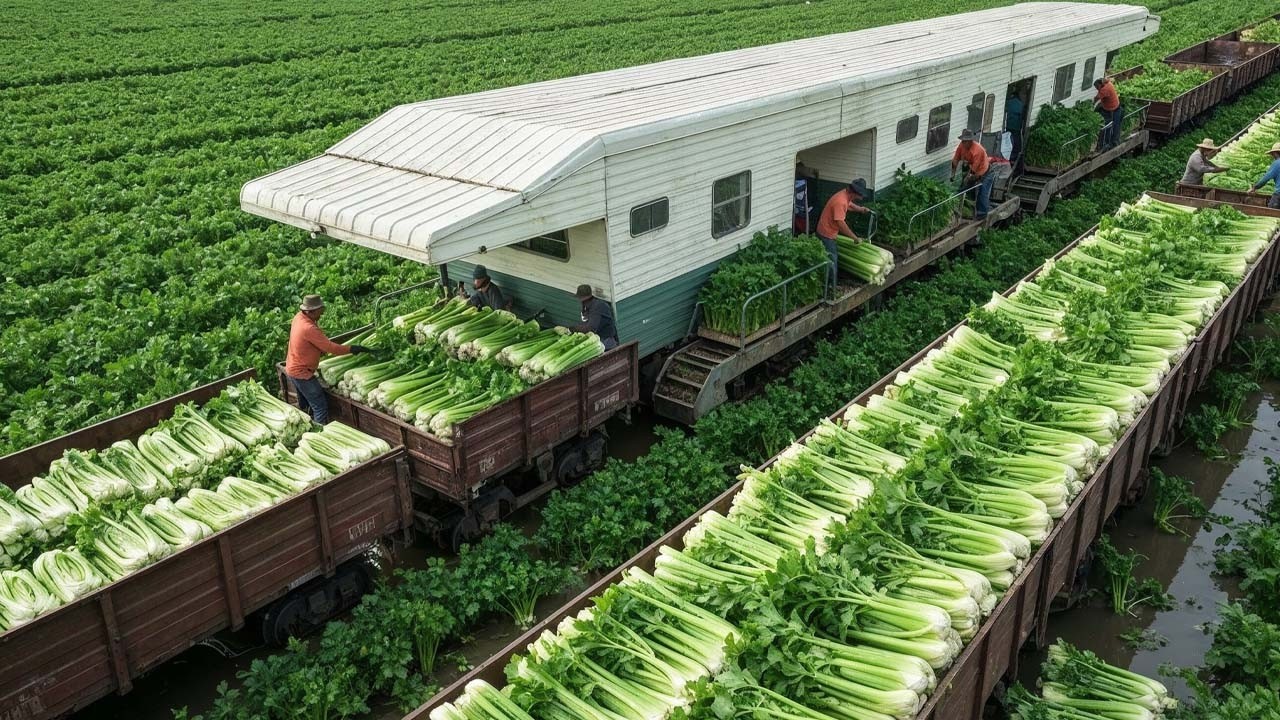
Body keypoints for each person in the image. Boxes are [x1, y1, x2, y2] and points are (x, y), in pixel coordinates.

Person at [285, 295, 370, 424]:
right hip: (302, 373)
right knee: (320, 406)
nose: (322, 312)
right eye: (320, 310)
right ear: (311, 311)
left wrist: (318, 350)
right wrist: (352, 349)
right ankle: (320, 435)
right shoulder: (308, 328)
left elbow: (309, 342)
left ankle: (307, 426)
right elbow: (331, 348)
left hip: (292, 367)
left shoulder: (299, 317)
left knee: (306, 404)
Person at [815, 178, 871, 288]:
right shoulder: (840, 201)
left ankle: (830, 284)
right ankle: (831, 287)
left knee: (831, 258)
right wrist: (854, 238)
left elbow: (849, 204)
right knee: (832, 260)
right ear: (855, 193)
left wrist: (860, 209)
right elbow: (840, 223)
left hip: (828, 230)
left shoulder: (844, 195)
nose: (861, 197)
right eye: (860, 195)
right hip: (826, 233)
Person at [951, 129, 1004, 221]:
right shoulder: (961, 146)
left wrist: (967, 179)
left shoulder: (977, 150)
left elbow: (973, 170)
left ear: (970, 141)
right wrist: (953, 174)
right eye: (962, 141)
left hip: (985, 172)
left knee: (982, 192)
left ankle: (982, 215)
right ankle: (968, 211)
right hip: (972, 170)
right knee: (966, 190)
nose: (963, 143)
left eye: (965, 141)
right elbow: (955, 160)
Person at [572, 284, 619, 350]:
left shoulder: (598, 306)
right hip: (598, 337)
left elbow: (591, 328)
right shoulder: (588, 306)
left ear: (582, 298)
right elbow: (586, 322)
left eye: (579, 298)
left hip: (606, 339)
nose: (579, 300)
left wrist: (573, 329)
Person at [1092, 78, 1122, 151]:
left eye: (1097, 88)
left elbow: (1097, 98)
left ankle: (1106, 144)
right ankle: (1113, 141)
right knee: (1115, 125)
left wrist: (1091, 104)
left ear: (1100, 85)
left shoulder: (1104, 90)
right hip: (1115, 106)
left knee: (1108, 126)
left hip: (1111, 109)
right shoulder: (1107, 83)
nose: (1097, 90)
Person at [1249, 142, 1280, 209]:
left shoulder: (1277, 163)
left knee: (1271, 213)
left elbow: (1265, 178)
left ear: (1276, 153)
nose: (1272, 156)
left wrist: (1255, 187)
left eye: (1273, 154)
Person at [1004, 93, 1025, 162]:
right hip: (1016, 126)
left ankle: (1008, 155)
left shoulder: (1008, 102)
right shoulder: (1021, 104)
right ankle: (1014, 156)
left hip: (1008, 125)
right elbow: (1022, 115)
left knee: (1008, 140)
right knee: (1016, 141)